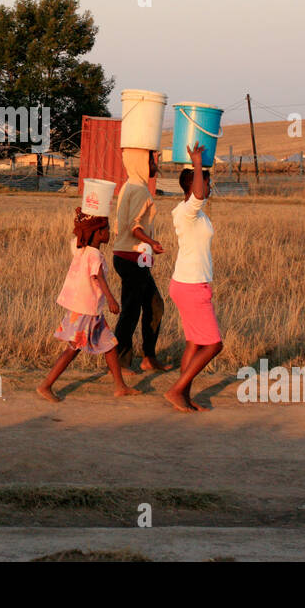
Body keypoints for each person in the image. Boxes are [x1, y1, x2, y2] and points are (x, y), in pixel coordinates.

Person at [38, 209, 141, 403]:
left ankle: (120, 386)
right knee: (73, 349)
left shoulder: (80, 249)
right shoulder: (95, 255)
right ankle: (46, 385)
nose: (111, 233)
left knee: (109, 345)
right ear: (99, 232)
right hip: (86, 309)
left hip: (89, 309)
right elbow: (98, 277)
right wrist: (111, 299)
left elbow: (77, 238)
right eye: (108, 229)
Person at [163, 144, 223, 412]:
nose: (209, 187)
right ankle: (177, 390)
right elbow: (198, 192)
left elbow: (199, 195)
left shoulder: (191, 211)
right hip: (191, 285)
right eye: (208, 182)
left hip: (186, 283)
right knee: (213, 344)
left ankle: (183, 396)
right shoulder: (188, 210)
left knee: (194, 341)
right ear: (195, 184)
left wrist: (200, 167)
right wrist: (198, 163)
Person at [112, 148, 170, 372]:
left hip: (133, 255)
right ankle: (120, 362)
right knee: (131, 310)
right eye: (152, 162)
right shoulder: (140, 190)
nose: (155, 167)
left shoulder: (131, 185)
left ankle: (148, 358)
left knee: (153, 305)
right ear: (140, 164)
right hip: (132, 256)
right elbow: (133, 226)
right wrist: (152, 242)